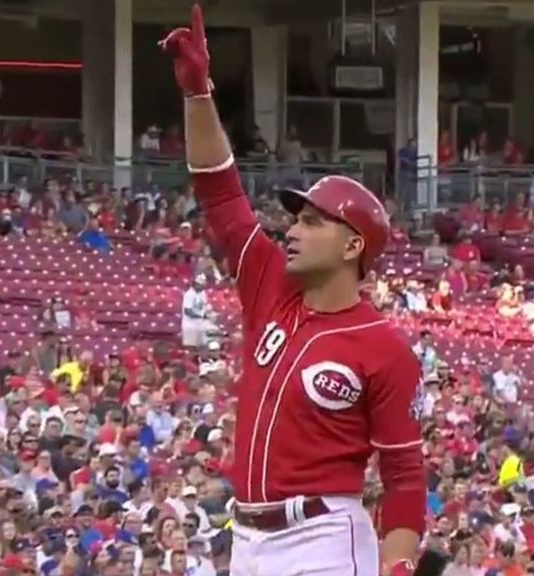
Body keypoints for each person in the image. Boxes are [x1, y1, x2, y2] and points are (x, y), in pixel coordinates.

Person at [160, 6, 426, 576]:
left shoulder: (383, 348)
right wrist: (198, 95)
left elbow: (404, 475)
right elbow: (220, 193)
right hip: (249, 540)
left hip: (325, 537)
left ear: (354, 246)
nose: (292, 230)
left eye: (311, 222)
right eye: (295, 219)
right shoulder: (271, 285)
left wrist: (398, 564)